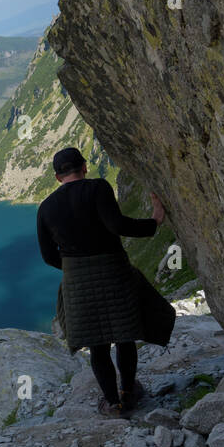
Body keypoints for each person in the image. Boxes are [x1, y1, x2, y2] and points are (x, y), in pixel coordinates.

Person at [36, 147, 173, 417]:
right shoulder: (98, 188)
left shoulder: (46, 208)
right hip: (113, 269)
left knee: (96, 343)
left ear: (56, 177)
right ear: (84, 167)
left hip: (77, 282)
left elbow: (47, 255)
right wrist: (154, 222)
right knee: (124, 336)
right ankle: (129, 392)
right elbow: (117, 225)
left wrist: (75, 268)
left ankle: (112, 404)